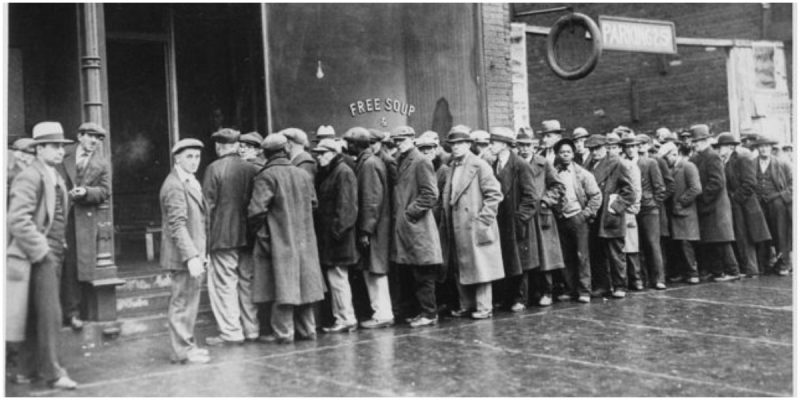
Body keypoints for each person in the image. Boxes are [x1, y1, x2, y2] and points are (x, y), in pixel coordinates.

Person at [7, 122, 78, 389]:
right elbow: (17, 219)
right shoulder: (31, 176)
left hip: (53, 252)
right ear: (39, 149)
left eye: (62, 146)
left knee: (35, 313)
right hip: (38, 256)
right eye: (54, 146)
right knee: (50, 315)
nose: (61, 151)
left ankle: (27, 370)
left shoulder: (53, 175)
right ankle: (53, 373)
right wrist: (42, 251)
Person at [248, 134, 326, 343]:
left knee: (281, 287)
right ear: (286, 150)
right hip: (304, 240)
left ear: (266, 153)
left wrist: (262, 234)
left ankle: (284, 333)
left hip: (279, 241)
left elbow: (256, 212)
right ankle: (308, 330)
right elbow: (314, 204)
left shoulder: (266, 176)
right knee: (304, 287)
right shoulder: (302, 174)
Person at [203, 128, 261, 346]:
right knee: (247, 283)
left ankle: (231, 332)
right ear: (237, 145)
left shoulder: (214, 168)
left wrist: (204, 242)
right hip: (248, 236)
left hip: (223, 236)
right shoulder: (252, 168)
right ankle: (252, 329)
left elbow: (207, 207)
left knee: (225, 284)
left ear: (219, 147)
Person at [441, 128, 505, 319]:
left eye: (460, 143)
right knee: (461, 265)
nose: (456, 147)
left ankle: (484, 307)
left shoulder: (480, 165)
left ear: (469, 145)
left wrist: (483, 221)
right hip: (457, 224)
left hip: (474, 224)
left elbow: (494, 195)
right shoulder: (452, 166)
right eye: (453, 144)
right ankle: (466, 304)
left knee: (481, 266)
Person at [159, 138, 210, 364]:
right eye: (189, 156)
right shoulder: (174, 185)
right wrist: (191, 256)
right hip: (183, 256)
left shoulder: (188, 181)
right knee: (182, 303)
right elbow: (177, 225)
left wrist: (201, 253)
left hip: (192, 253)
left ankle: (188, 346)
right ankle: (182, 350)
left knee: (189, 302)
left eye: (197, 156)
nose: (194, 161)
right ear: (177, 159)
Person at [57, 122, 111, 331]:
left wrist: (86, 192)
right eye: (90, 136)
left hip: (81, 220)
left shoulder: (101, 163)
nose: (94, 141)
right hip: (57, 214)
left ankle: (73, 313)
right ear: (80, 136)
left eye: (98, 138)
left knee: (75, 266)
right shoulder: (63, 152)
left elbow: (105, 191)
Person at [390, 125, 443, 328]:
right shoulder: (401, 160)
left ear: (412, 140)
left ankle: (429, 313)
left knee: (423, 273)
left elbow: (431, 194)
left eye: (402, 140)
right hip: (409, 227)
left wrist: (410, 213)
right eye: (396, 141)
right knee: (414, 272)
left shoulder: (420, 161)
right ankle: (423, 312)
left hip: (418, 227)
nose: (399, 144)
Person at [348, 128, 395, 329]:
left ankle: (382, 314)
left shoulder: (368, 164)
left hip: (374, 228)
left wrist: (366, 230)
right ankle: (381, 312)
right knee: (373, 269)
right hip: (375, 226)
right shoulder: (370, 162)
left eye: (349, 142)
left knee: (376, 270)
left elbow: (371, 200)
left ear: (355, 144)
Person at [311, 138, 360, 333]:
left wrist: (336, 232)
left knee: (338, 280)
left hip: (338, 239)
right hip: (335, 238)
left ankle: (346, 318)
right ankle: (343, 317)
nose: (319, 157)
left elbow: (348, 208)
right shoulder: (335, 171)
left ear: (332, 153)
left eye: (322, 153)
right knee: (336, 280)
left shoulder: (342, 172)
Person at [489, 127, 538, 312]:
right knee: (506, 259)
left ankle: (521, 298)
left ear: (504, 145)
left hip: (516, 221)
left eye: (493, 143)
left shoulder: (520, 165)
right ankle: (507, 297)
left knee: (520, 261)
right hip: (501, 220)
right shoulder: (495, 164)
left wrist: (520, 218)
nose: (490, 146)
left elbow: (531, 197)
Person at [713, 133, 771, 278]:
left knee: (746, 237)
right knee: (740, 236)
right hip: (736, 205)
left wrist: (735, 198)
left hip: (745, 205)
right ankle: (746, 268)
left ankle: (751, 269)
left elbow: (750, 183)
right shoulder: (725, 161)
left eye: (721, 147)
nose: (719, 149)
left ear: (730, 147)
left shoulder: (741, 159)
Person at [584, 134, 635, 298]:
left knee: (615, 253)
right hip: (595, 216)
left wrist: (614, 207)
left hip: (610, 216)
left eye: (597, 148)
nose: (594, 152)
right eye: (591, 149)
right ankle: (602, 285)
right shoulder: (587, 165)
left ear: (605, 147)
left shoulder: (617, 163)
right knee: (597, 253)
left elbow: (630, 193)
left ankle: (620, 286)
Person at [688, 124, 740, 281]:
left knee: (721, 240)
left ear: (706, 141)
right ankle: (717, 271)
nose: (695, 144)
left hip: (716, 206)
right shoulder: (696, 158)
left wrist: (703, 198)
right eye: (694, 141)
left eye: (698, 141)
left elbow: (717, 182)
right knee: (711, 240)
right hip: (707, 205)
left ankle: (733, 271)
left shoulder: (712, 156)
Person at [552, 138, 601, 303]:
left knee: (582, 256)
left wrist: (585, 214)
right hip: (561, 218)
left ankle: (584, 290)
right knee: (566, 256)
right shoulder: (554, 173)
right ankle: (569, 289)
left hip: (578, 218)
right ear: (557, 155)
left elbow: (596, 196)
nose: (565, 155)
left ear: (573, 154)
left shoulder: (583, 174)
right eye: (562, 152)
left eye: (568, 152)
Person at [752, 135, 793, 275]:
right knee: (761, 234)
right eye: (761, 146)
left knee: (781, 233)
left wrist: (781, 197)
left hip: (778, 205)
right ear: (757, 148)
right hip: (759, 204)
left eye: (766, 146)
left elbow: (794, 185)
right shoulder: (752, 163)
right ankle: (764, 264)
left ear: (771, 148)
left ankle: (784, 264)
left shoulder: (782, 164)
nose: (764, 149)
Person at [662, 142, 702, 283]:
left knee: (687, 244)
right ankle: (681, 272)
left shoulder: (688, 166)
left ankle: (693, 273)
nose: (666, 161)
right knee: (678, 244)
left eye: (667, 157)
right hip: (675, 213)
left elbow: (696, 188)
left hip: (686, 213)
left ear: (674, 154)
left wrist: (681, 202)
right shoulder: (672, 168)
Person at [632, 134, 667, 289]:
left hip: (649, 209)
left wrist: (653, 204)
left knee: (653, 244)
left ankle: (659, 278)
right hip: (634, 209)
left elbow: (660, 187)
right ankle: (644, 278)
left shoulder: (650, 163)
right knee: (638, 245)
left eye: (635, 146)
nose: (632, 149)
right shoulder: (626, 164)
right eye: (629, 147)